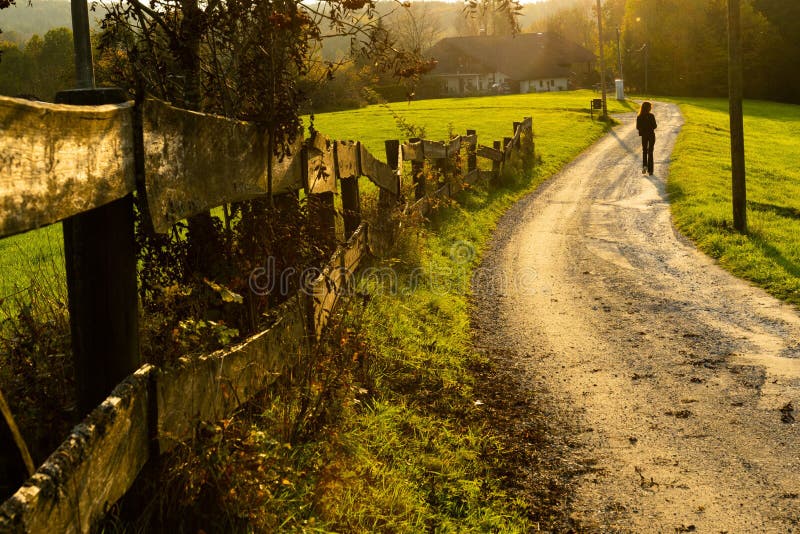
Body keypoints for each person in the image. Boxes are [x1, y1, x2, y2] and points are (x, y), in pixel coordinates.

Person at [636, 101, 657, 175]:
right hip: (651, 135)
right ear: (648, 108)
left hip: (644, 136)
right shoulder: (651, 116)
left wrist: (643, 129)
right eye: (650, 107)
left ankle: (645, 166)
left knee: (644, 151)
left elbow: (637, 127)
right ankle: (650, 170)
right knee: (650, 152)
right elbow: (655, 126)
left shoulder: (639, 116)